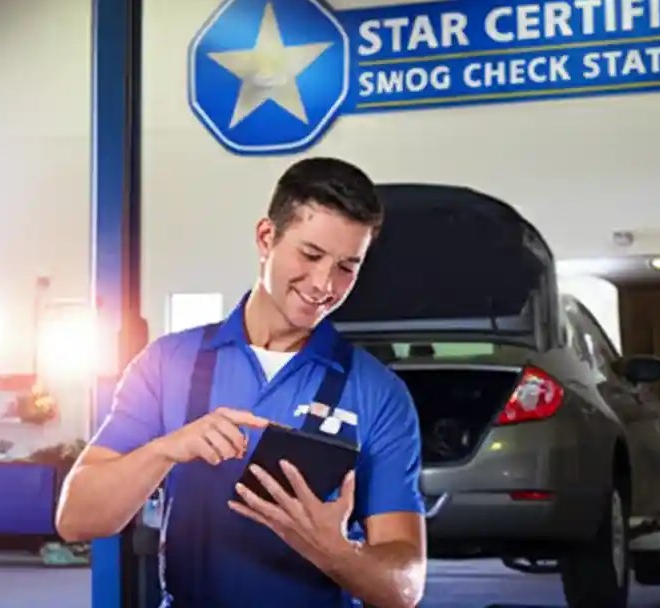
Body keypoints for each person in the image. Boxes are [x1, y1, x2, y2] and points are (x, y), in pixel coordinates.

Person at [55, 157, 427, 608]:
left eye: (347, 266)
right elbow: (76, 518)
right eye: (310, 255)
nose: (324, 284)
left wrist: (337, 552)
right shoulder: (168, 363)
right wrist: (164, 450)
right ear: (266, 238)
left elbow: (405, 587)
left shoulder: (378, 393)